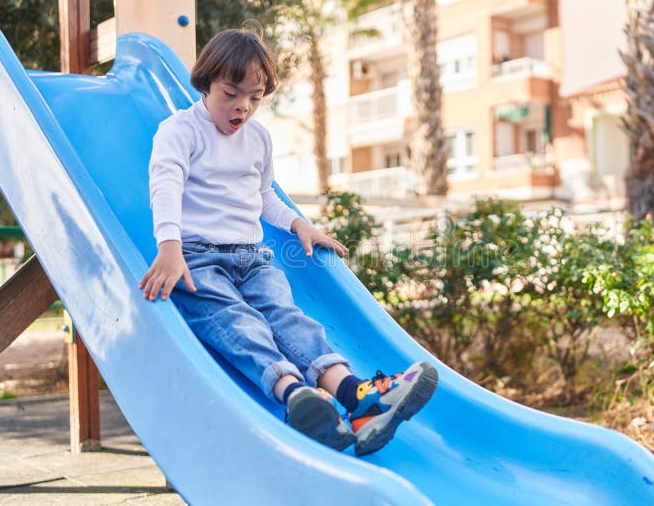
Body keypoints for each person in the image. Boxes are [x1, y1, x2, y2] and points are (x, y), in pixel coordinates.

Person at [138, 28, 437, 456]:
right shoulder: (180, 131)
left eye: (255, 97)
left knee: (289, 318)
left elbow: (263, 196)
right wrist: (169, 246)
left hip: (253, 258)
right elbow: (164, 185)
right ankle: (298, 395)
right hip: (196, 259)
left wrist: (299, 224)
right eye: (231, 93)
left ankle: (356, 397)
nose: (243, 106)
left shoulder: (257, 138)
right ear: (206, 83)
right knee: (236, 322)